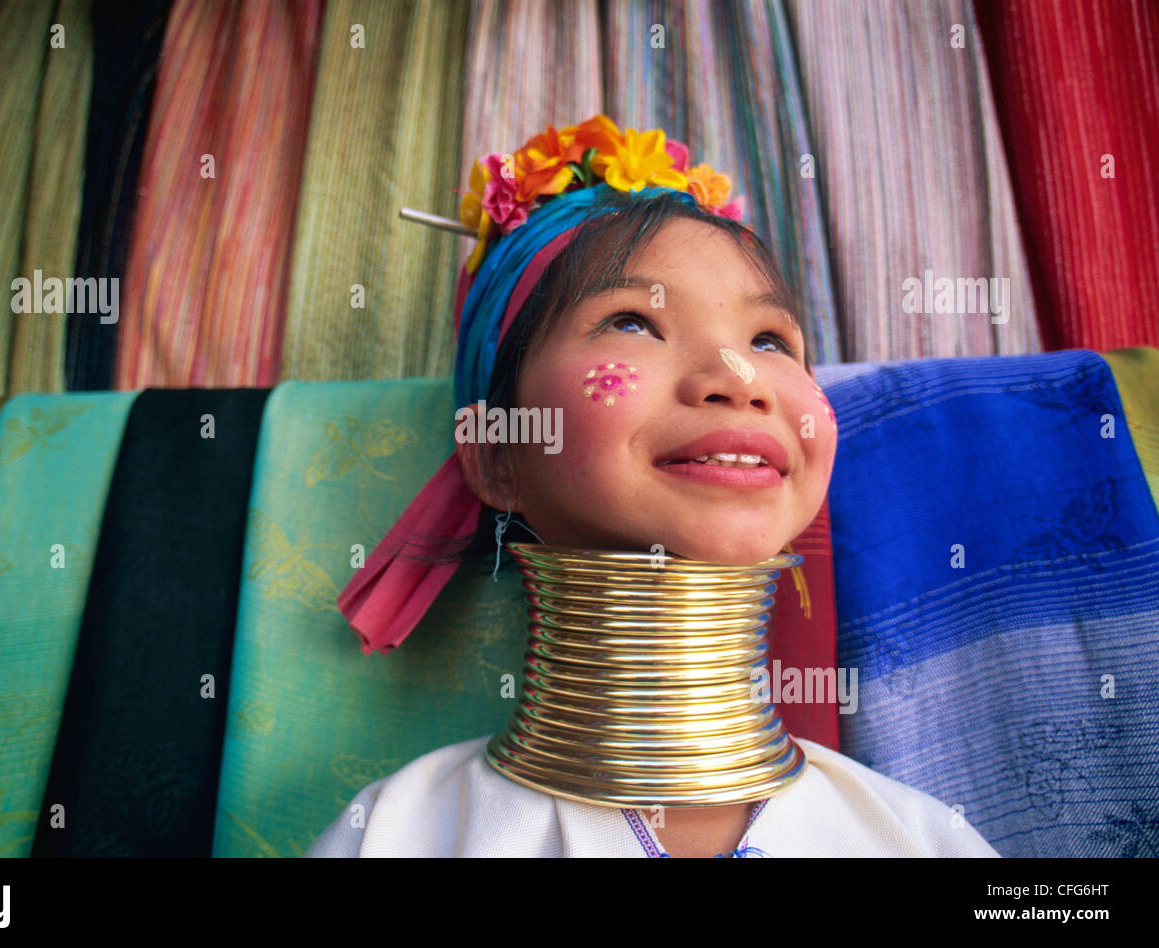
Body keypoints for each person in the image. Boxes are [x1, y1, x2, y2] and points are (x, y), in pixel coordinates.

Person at [308, 115, 999, 858]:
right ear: (496, 454)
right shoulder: (392, 836)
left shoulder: (921, 840)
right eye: (632, 322)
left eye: (769, 341)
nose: (736, 383)